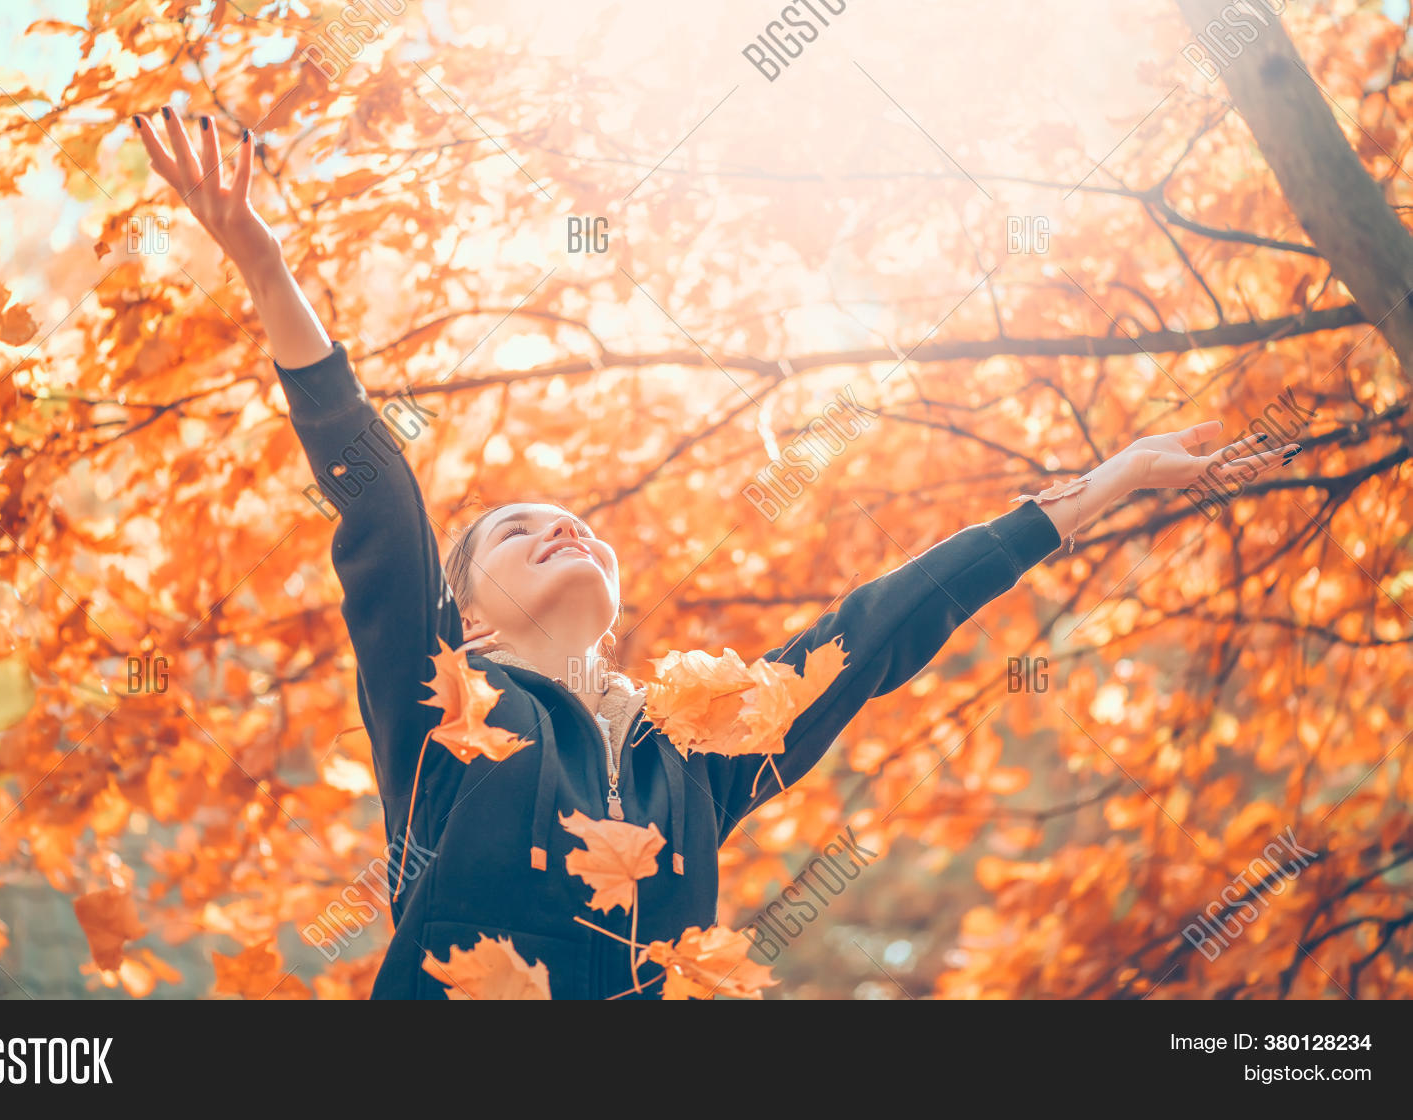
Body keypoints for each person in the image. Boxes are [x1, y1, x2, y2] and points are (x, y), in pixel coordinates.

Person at [134, 110, 1301, 999]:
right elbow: (384, 510)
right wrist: (267, 272)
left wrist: (1101, 488)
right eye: (518, 528)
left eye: (579, 521)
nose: (564, 526)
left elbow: (881, 627)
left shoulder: (699, 754)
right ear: (467, 618)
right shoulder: (439, 702)